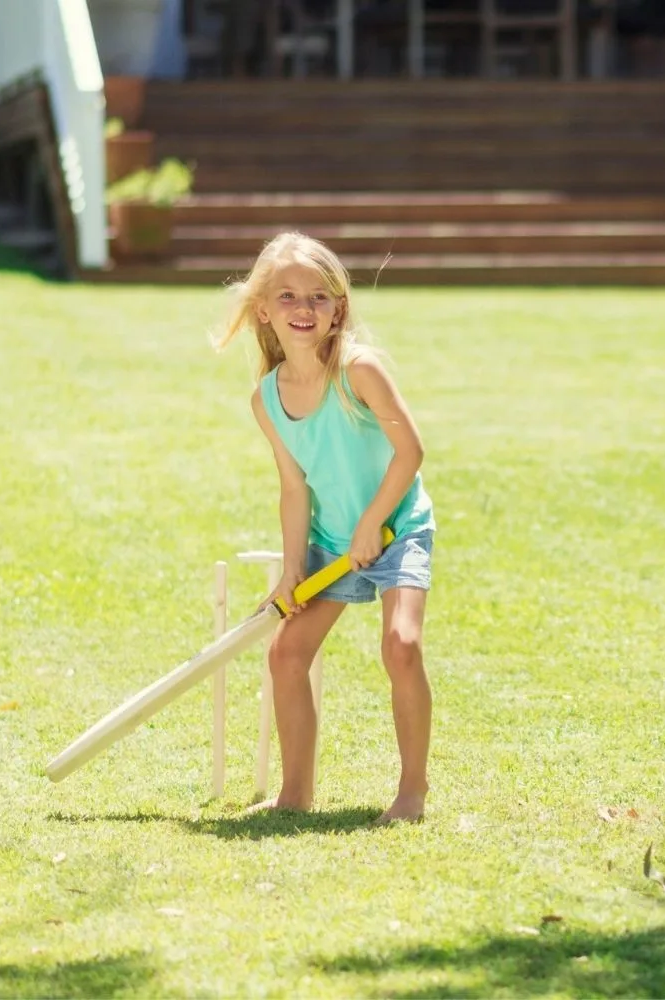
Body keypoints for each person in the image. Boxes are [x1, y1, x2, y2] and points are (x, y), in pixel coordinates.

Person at [215, 232, 437, 826]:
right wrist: (293, 571)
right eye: (287, 296)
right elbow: (294, 488)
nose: (303, 308)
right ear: (264, 310)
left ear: (338, 306)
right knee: (287, 652)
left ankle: (412, 792)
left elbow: (409, 452)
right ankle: (295, 794)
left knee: (402, 645)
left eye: (318, 296)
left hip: (396, 528)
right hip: (334, 542)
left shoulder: (358, 370)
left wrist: (373, 525)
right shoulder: (267, 398)